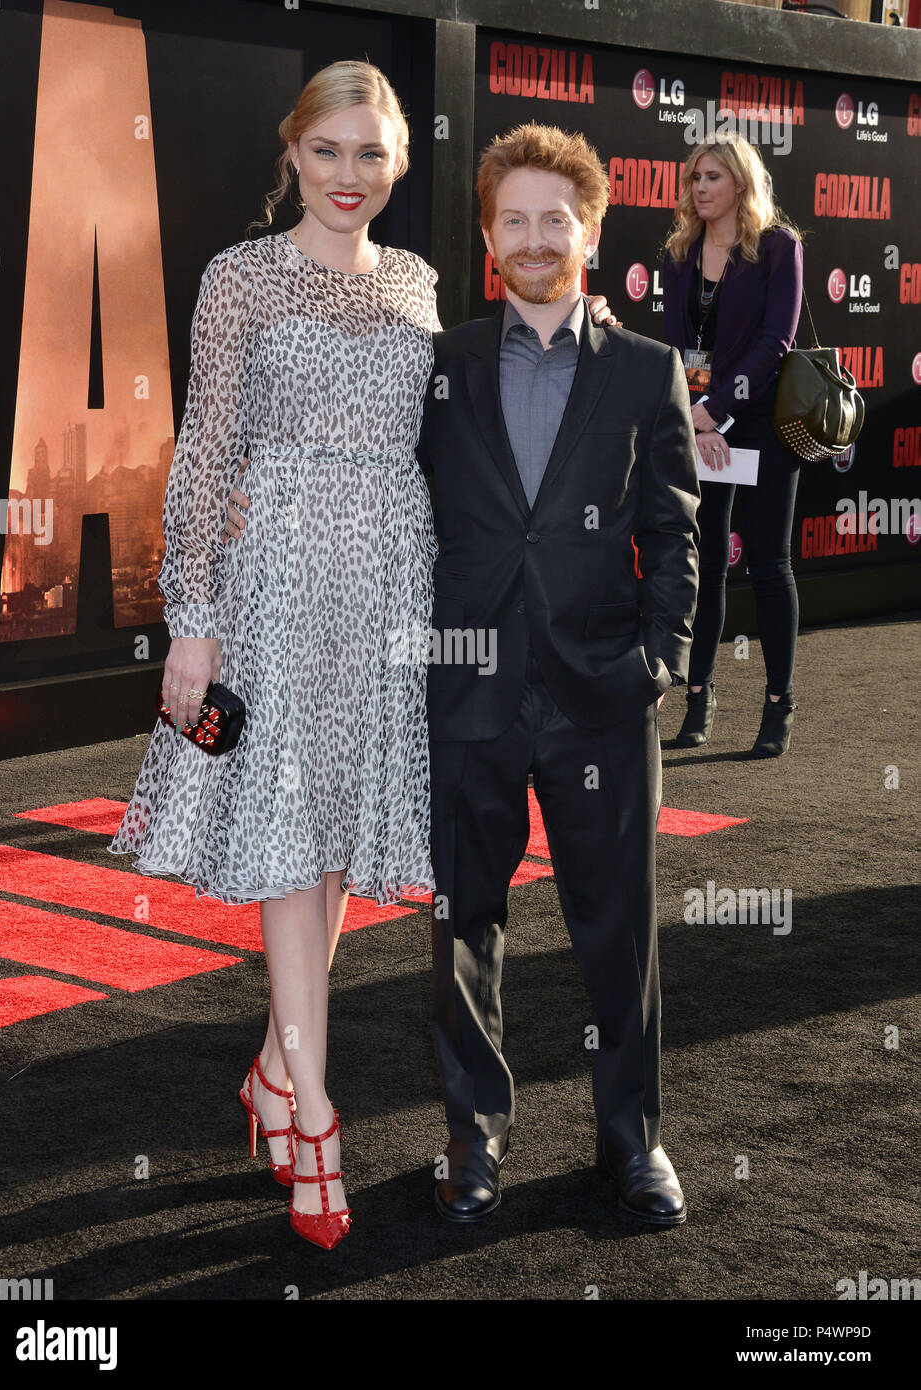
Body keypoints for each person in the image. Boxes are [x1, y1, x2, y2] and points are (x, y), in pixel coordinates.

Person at [230, 124, 699, 1224]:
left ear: (589, 230)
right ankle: (471, 1140)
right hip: (467, 686)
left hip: (599, 692)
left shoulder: (645, 371)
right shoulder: (436, 366)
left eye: (556, 220)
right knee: (462, 929)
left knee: (618, 933)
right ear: (487, 237)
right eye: (514, 221)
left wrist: (659, 664)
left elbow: (676, 537)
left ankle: (633, 1144)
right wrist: (251, 488)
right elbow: (343, 448)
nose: (535, 241)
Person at [107, 60, 443, 1250]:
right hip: (278, 581)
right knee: (294, 843)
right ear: (292, 152)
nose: (350, 176)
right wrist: (189, 611)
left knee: (336, 836)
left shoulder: (418, 281)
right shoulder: (239, 276)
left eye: (373, 153)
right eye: (329, 151)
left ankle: (270, 1071)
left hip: (389, 582)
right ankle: (310, 1112)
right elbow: (202, 453)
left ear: (399, 160)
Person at [661, 133, 804, 757]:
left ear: (741, 183)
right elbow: (674, 345)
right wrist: (695, 417)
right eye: (695, 178)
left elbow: (776, 341)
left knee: (769, 563)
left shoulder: (778, 248)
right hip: (700, 423)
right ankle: (700, 696)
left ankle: (778, 703)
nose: (700, 188)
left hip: (759, 423)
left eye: (712, 177)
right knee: (708, 560)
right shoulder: (679, 253)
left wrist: (716, 410)